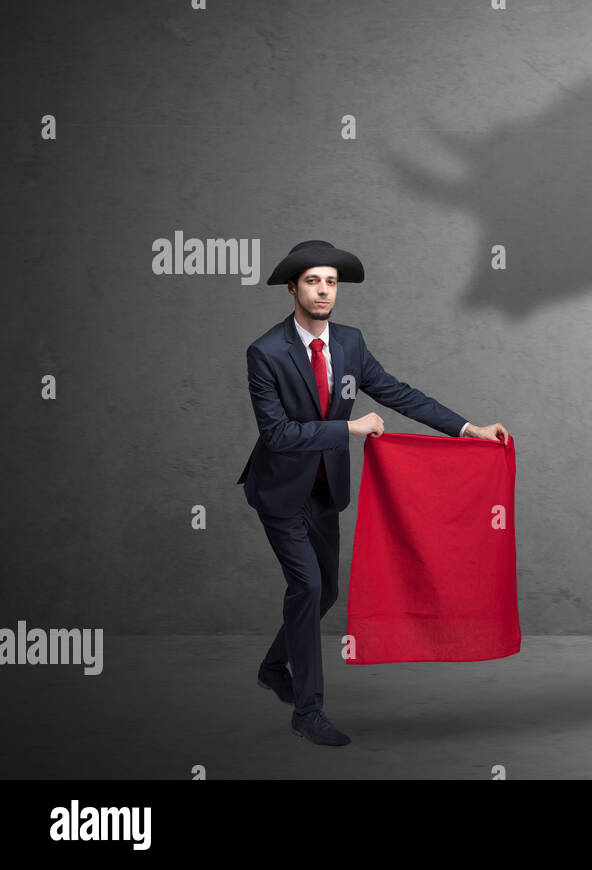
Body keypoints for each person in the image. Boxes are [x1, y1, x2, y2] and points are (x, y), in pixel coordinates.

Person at [237, 240, 509, 747]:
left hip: (326, 490)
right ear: (292, 288)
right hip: (280, 491)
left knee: (326, 591)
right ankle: (308, 712)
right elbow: (277, 434)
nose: (323, 290)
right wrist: (350, 428)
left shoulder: (350, 343)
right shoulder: (266, 352)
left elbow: (396, 392)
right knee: (308, 588)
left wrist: (467, 428)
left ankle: (274, 667)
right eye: (313, 281)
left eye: (331, 282)